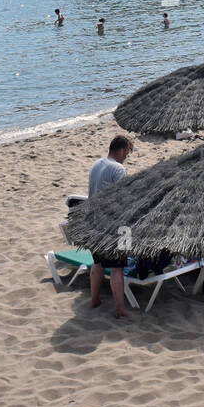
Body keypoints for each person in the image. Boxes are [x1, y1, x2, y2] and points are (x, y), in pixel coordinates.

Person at [88, 136, 133, 318]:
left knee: (97, 264)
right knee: (116, 269)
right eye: (127, 153)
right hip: (112, 224)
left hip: (92, 221)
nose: (126, 157)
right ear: (121, 150)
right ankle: (120, 310)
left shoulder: (96, 164)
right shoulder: (119, 169)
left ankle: (94, 300)